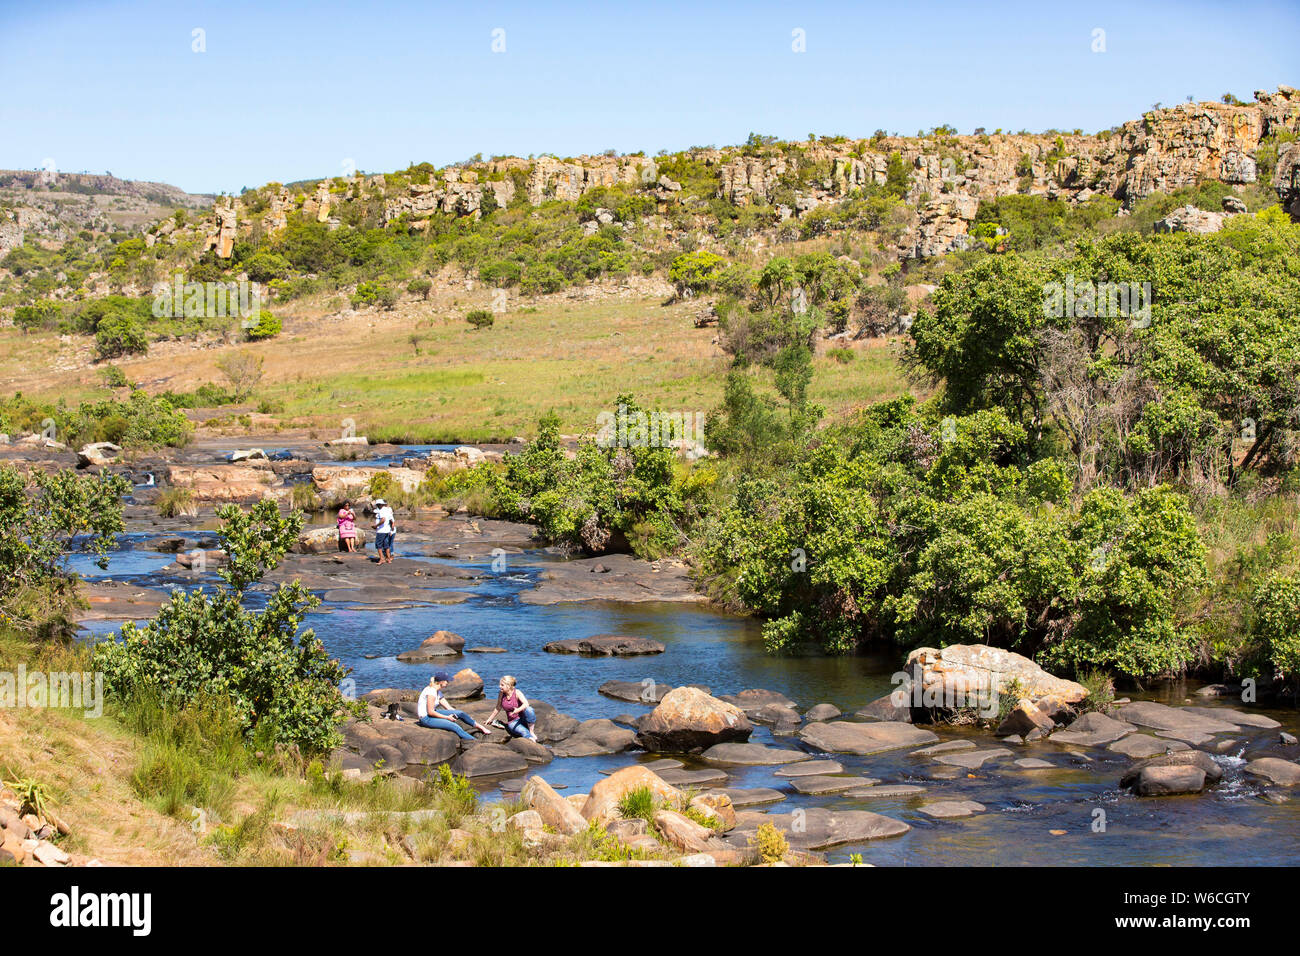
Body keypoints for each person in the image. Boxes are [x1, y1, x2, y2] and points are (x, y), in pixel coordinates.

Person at [416, 672, 491, 740]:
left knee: (460, 713)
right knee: (454, 726)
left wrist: (466, 717)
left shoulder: (438, 692)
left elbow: (448, 708)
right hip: (426, 719)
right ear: (441, 682)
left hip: (432, 714)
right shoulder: (431, 691)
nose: (448, 682)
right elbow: (430, 712)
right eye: (447, 681)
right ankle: (475, 741)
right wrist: (447, 717)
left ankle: (481, 727)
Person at [486, 675, 538, 741]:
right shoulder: (501, 693)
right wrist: (490, 719)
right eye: (500, 685)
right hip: (513, 722)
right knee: (524, 732)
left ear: (509, 685)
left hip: (523, 718)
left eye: (502, 685)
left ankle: (531, 731)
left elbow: (526, 704)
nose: (500, 686)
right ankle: (530, 738)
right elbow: (498, 707)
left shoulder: (517, 692)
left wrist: (518, 710)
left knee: (529, 709)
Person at [373, 498, 396, 564]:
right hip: (387, 530)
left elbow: (383, 519)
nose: (377, 506)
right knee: (386, 545)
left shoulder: (381, 511)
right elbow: (391, 520)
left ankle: (381, 559)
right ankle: (388, 559)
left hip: (381, 530)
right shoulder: (388, 510)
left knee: (379, 545)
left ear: (379, 505)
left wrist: (376, 525)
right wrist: (391, 529)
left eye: (377, 505)